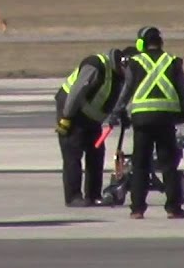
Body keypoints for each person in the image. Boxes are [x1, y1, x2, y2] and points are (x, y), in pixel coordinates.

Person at [111, 25, 184, 219]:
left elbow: (126, 92)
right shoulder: (172, 62)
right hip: (166, 119)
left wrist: (116, 113)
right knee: (169, 165)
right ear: (161, 43)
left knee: (141, 165)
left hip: (142, 120)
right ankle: (173, 209)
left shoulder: (134, 63)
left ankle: (137, 209)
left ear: (141, 43)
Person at [54, 46, 133, 207]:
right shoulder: (96, 66)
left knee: (96, 153)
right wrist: (66, 118)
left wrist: (122, 114)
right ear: (124, 63)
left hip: (91, 119)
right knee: (73, 154)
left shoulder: (120, 75)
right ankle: (73, 197)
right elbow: (76, 92)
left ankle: (93, 195)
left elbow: (116, 97)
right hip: (72, 111)